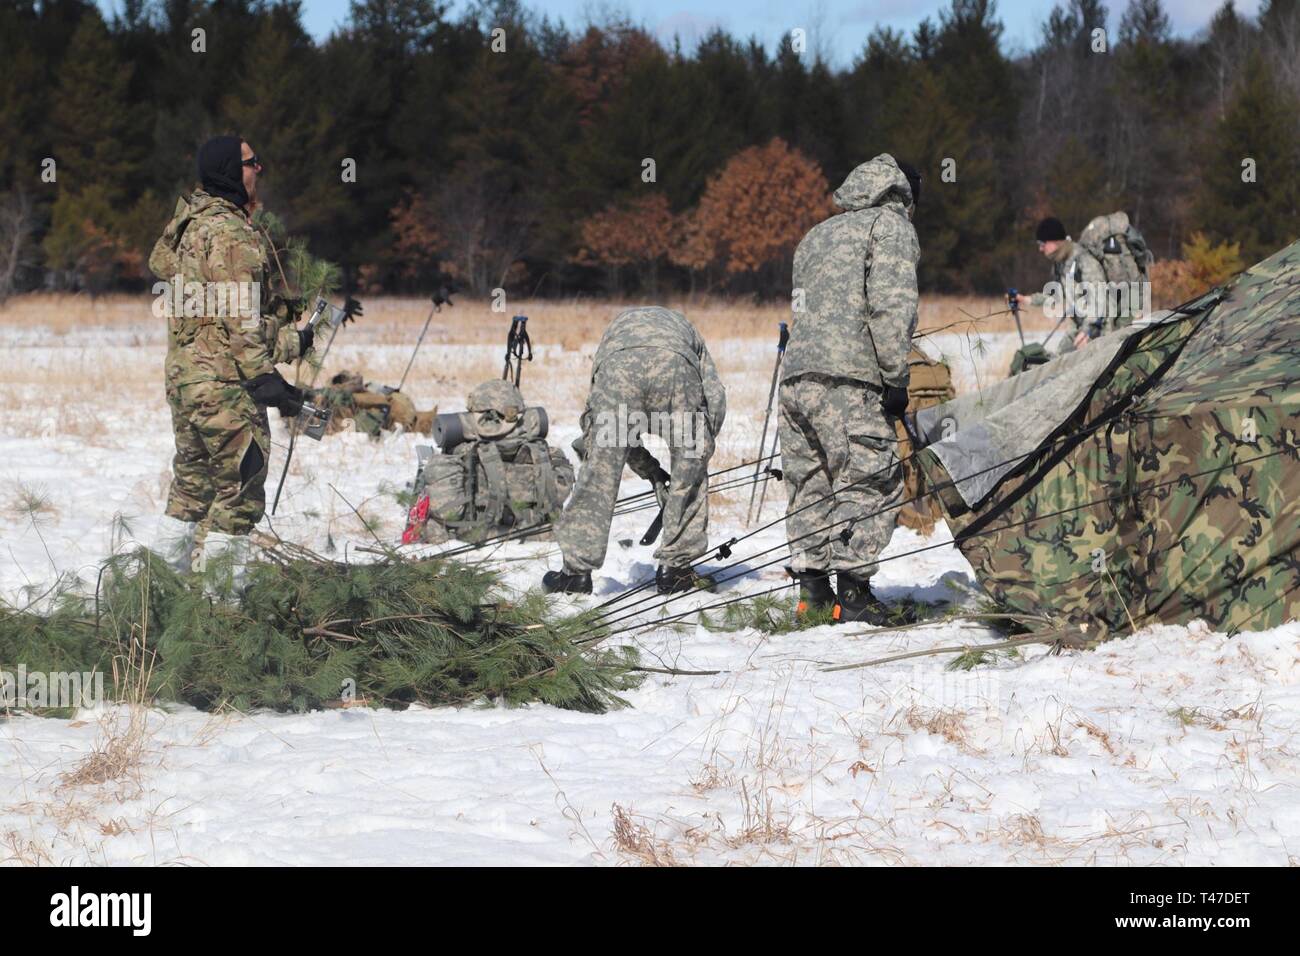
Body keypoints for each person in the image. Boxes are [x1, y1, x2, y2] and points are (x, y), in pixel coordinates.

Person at [147, 135, 312, 580]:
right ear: (229, 170)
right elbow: (240, 314)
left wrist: (291, 336)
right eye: (252, 162)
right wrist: (265, 377)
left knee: (189, 492)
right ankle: (222, 619)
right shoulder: (229, 232)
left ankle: (155, 602)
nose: (259, 170)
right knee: (239, 500)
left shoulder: (187, 228)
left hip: (185, 385)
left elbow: (215, 313)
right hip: (224, 390)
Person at [779, 154, 921, 626]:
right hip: (852, 378)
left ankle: (813, 594)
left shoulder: (815, 234)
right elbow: (891, 307)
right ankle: (855, 593)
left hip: (797, 378)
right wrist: (896, 378)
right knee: (869, 480)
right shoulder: (891, 228)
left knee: (810, 483)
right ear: (902, 191)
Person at [543, 306, 726, 596]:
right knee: (690, 466)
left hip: (619, 371)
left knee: (599, 472)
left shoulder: (614, 333)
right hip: (677, 371)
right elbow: (714, 398)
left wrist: (646, 468)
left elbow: (604, 433)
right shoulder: (688, 331)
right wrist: (695, 456)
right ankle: (676, 569)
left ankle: (575, 574)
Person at [1016, 216, 1107, 353]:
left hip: (1098, 332)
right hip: (1077, 331)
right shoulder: (1062, 264)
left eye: (1042, 243)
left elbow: (1099, 299)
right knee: (1057, 364)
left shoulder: (1084, 260)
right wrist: (1026, 300)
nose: (1040, 249)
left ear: (1055, 241)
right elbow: (1056, 295)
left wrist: (1088, 331)